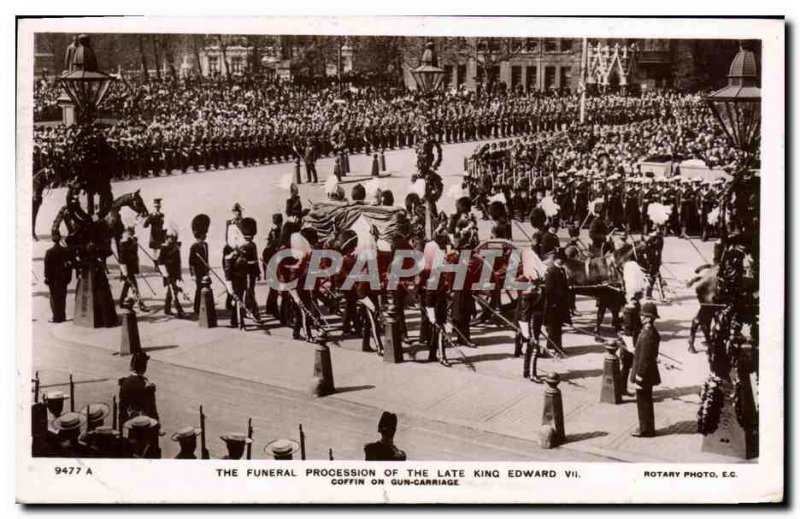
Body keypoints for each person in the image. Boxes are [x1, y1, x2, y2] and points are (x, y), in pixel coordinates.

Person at [630, 301, 661, 438]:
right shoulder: (649, 331)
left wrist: (639, 375)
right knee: (645, 400)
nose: (641, 317)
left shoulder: (648, 333)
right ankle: (646, 427)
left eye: (643, 315)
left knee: (643, 402)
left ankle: (646, 430)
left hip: (644, 374)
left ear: (649, 318)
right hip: (647, 373)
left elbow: (645, 358)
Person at [543, 248, 570, 357]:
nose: (563, 261)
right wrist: (553, 302)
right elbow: (549, 290)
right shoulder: (551, 271)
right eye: (561, 259)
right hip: (553, 305)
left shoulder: (561, 270)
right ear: (556, 259)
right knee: (552, 328)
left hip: (561, 304)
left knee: (558, 327)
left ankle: (558, 346)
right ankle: (551, 348)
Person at [118, 352, 157, 424]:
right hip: (142, 422)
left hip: (128, 420)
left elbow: (122, 406)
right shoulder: (145, 385)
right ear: (144, 367)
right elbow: (151, 410)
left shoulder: (125, 382)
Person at [43, 230, 72, 323]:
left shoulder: (49, 252)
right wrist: (68, 277)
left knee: (54, 298)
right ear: (60, 238)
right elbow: (69, 265)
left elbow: (47, 267)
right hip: (63, 278)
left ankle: (56, 317)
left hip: (53, 279)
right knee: (62, 297)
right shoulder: (65, 251)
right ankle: (62, 315)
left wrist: (47, 278)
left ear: (52, 239)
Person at [156, 230, 186, 318]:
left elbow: (178, 261)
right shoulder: (163, 248)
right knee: (174, 291)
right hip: (168, 272)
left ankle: (167, 309)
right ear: (166, 238)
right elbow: (160, 262)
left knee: (170, 291)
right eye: (169, 238)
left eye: (173, 238)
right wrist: (165, 273)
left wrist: (179, 274)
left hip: (175, 272)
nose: (171, 240)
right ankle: (179, 310)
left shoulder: (176, 247)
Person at [118, 226, 147, 312]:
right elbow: (122, 259)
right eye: (130, 232)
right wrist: (124, 272)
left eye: (132, 232)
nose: (131, 234)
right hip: (127, 268)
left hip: (131, 267)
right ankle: (140, 303)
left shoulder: (131, 241)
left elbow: (134, 252)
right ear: (126, 233)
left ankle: (121, 301)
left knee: (127, 285)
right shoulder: (123, 243)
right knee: (134, 286)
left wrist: (134, 241)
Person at [189, 214, 211, 315]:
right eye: (203, 234)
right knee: (199, 289)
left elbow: (206, 258)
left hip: (205, 271)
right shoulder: (194, 246)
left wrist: (208, 268)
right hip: (198, 272)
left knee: (206, 287)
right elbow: (191, 262)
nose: (205, 235)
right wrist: (192, 274)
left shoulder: (206, 245)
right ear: (199, 235)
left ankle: (205, 305)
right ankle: (197, 308)